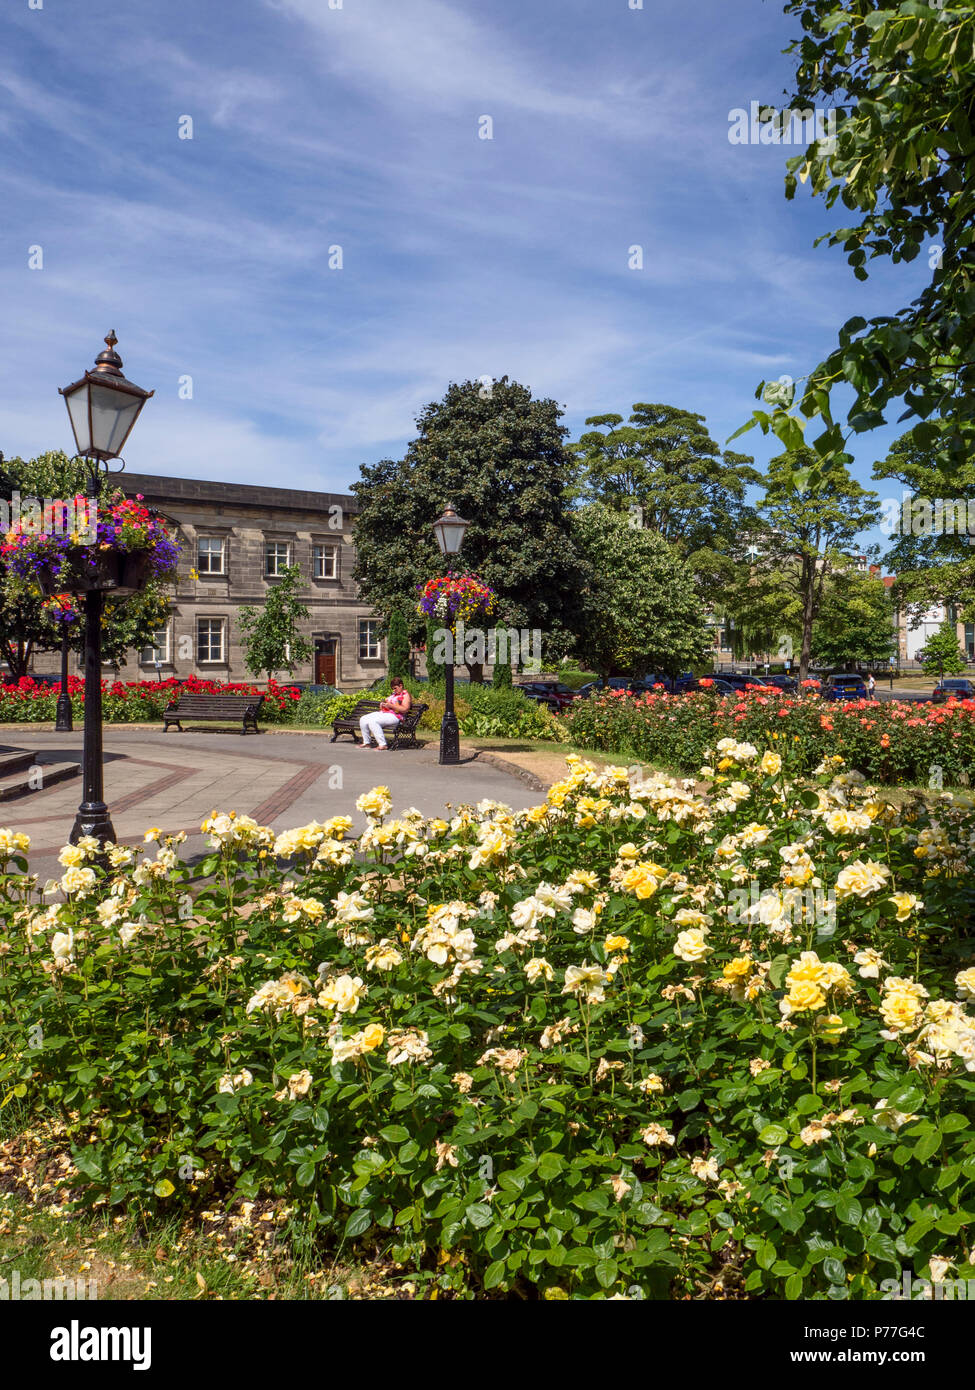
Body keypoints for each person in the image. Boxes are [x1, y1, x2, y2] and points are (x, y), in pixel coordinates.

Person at [359, 678, 411, 750]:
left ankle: (383, 744)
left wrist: (390, 706)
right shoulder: (394, 695)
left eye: (395, 688)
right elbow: (388, 705)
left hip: (396, 716)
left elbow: (405, 709)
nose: (394, 690)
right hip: (385, 713)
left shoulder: (405, 695)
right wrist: (383, 705)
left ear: (401, 686)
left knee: (373, 722)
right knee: (363, 719)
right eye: (393, 689)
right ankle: (367, 743)